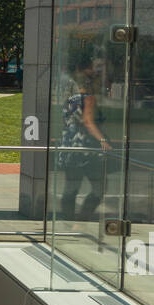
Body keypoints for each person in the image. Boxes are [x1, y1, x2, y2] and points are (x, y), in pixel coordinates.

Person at [57, 55, 111, 221]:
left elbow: (69, 121)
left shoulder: (70, 99)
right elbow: (88, 122)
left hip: (70, 147)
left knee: (71, 186)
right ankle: (80, 221)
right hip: (86, 149)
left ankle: (68, 219)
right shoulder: (88, 98)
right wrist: (103, 140)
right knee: (100, 187)